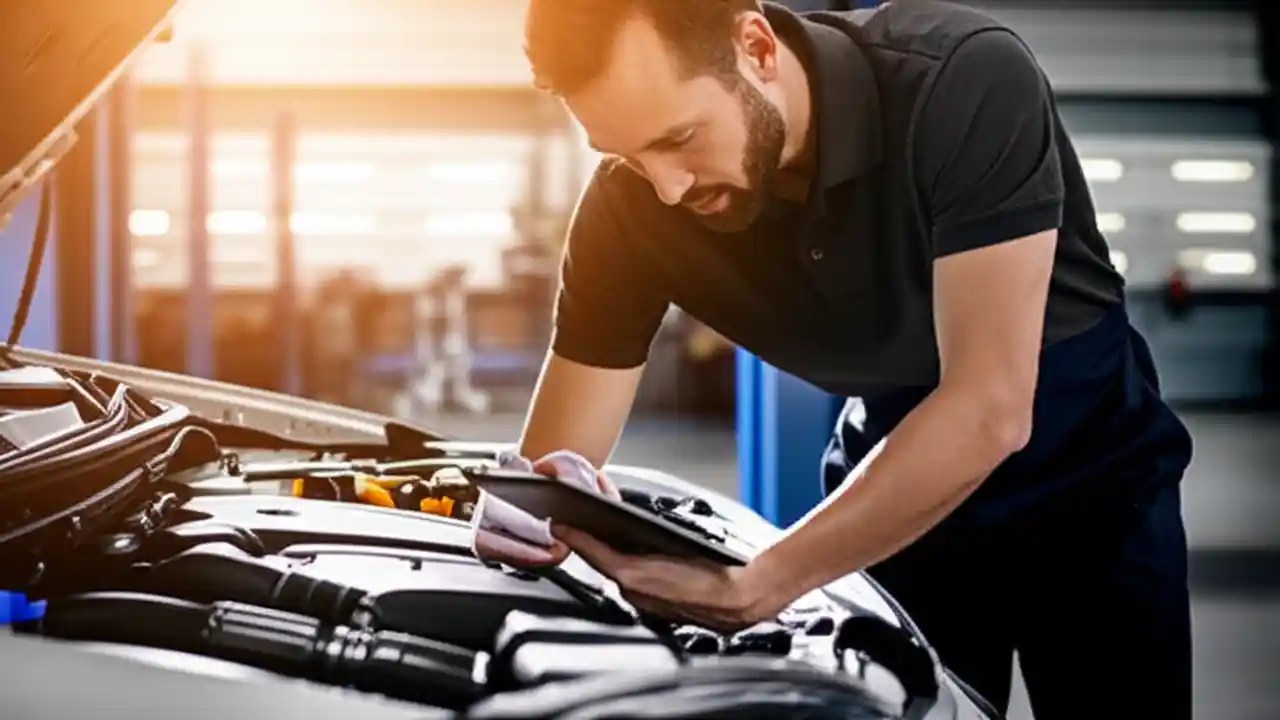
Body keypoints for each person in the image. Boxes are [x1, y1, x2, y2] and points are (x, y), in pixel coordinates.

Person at [472, 2, 1194, 717]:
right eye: (629, 156)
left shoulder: (962, 81)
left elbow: (990, 408)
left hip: (1089, 494)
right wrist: (521, 520)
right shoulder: (628, 210)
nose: (668, 187)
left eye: (681, 137)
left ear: (755, 48)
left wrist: (760, 583)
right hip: (889, 507)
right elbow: (551, 467)